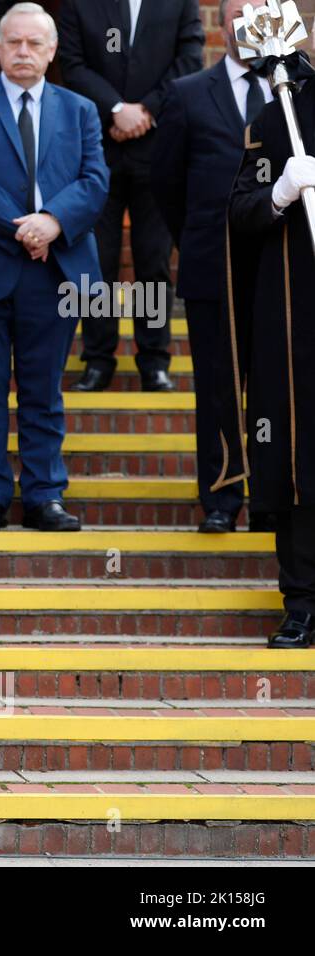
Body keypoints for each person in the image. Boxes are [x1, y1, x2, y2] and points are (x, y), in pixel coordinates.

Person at [0, 3, 108, 533]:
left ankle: (44, 495)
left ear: (53, 51)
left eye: (34, 43)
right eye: (13, 42)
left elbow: (95, 180)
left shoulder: (80, 110)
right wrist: (22, 227)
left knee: (43, 386)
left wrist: (53, 221)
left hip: (56, 267)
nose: (24, 52)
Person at [151, 0, 274, 534]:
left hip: (282, 270)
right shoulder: (187, 95)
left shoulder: (296, 93)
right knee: (220, 385)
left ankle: (273, 496)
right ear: (220, 24)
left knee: (276, 388)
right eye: (239, 13)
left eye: (262, 12)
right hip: (213, 266)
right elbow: (166, 185)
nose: (248, 22)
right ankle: (223, 496)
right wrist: (197, 240)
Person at [218, 51, 315, 648]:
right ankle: (302, 601)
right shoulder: (282, 116)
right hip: (299, 317)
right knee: (303, 460)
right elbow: (239, 213)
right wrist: (279, 193)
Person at [59, 0, 204, 392]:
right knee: (96, 262)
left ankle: (154, 361)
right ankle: (98, 359)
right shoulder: (78, 4)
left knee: (153, 262)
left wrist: (145, 111)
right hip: (94, 150)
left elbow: (190, 59)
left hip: (159, 148)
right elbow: (71, 63)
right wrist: (117, 109)